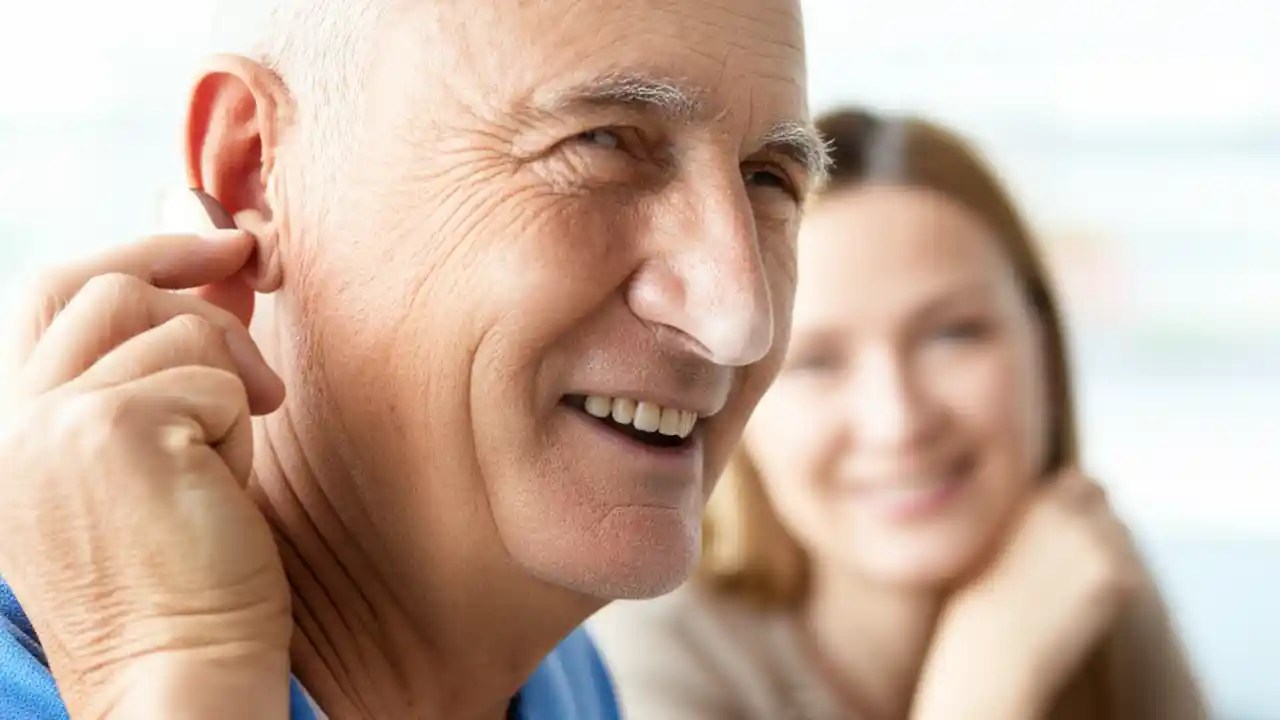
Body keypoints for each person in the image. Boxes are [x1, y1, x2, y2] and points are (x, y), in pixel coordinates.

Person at [0, 1, 830, 718]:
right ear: (254, 174)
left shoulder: (561, 682)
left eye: (768, 180)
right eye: (603, 143)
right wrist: (174, 665)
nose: (740, 317)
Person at [591, 109, 1208, 720]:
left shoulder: (1077, 571)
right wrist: (991, 677)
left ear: (1042, 344)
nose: (898, 422)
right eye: (816, 362)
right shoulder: (645, 659)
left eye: (954, 336)